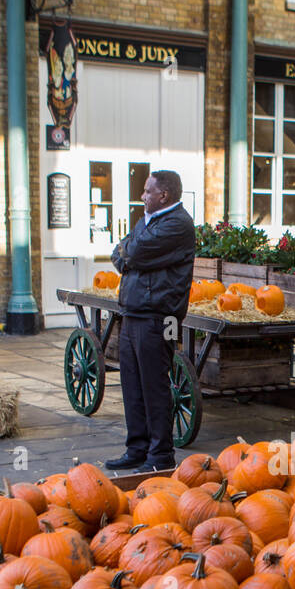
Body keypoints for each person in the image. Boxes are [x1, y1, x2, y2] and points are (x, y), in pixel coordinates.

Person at [106, 170, 195, 472]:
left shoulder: (177, 224)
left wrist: (131, 253)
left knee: (155, 386)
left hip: (160, 316)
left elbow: (134, 250)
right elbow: (120, 254)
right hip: (133, 312)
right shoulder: (148, 221)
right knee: (132, 385)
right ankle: (138, 448)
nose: (142, 196)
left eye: (147, 191)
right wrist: (130, 253)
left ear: (164, 195)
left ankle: (160, 456)